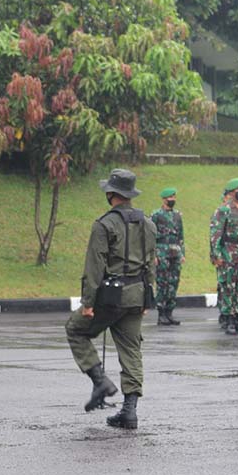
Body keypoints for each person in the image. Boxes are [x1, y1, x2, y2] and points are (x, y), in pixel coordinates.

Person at [65, 169, 156, 429]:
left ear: (111, 194)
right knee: (131, 349)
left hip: (110, 297)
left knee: (75, 330)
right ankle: (129, 411)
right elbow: (151, 264)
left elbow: (94, 267)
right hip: (138, 294)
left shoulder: (104, 225)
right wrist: (148, 299)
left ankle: (99, 381)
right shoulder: (149, 223)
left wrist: (88, 303)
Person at [209, 178, 238, 335]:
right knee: (228, 287)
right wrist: (216, 255)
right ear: (232, 192)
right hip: (229, 254)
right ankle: (228, 318)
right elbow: (215, 234)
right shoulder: (223, 211)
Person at [151, 187, 184, 326]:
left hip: (175, 252)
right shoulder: (156, 215)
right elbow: (151, 236)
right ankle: (161, 313)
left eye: (174, 197)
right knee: (162, 282)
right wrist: (153, 255)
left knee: (173, 283)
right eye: (170, 198)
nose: (173, 200)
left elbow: (181, 235)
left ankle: (170, 313)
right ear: (164, 199)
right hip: (161, 251)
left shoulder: (177, 215)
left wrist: (182, 253)